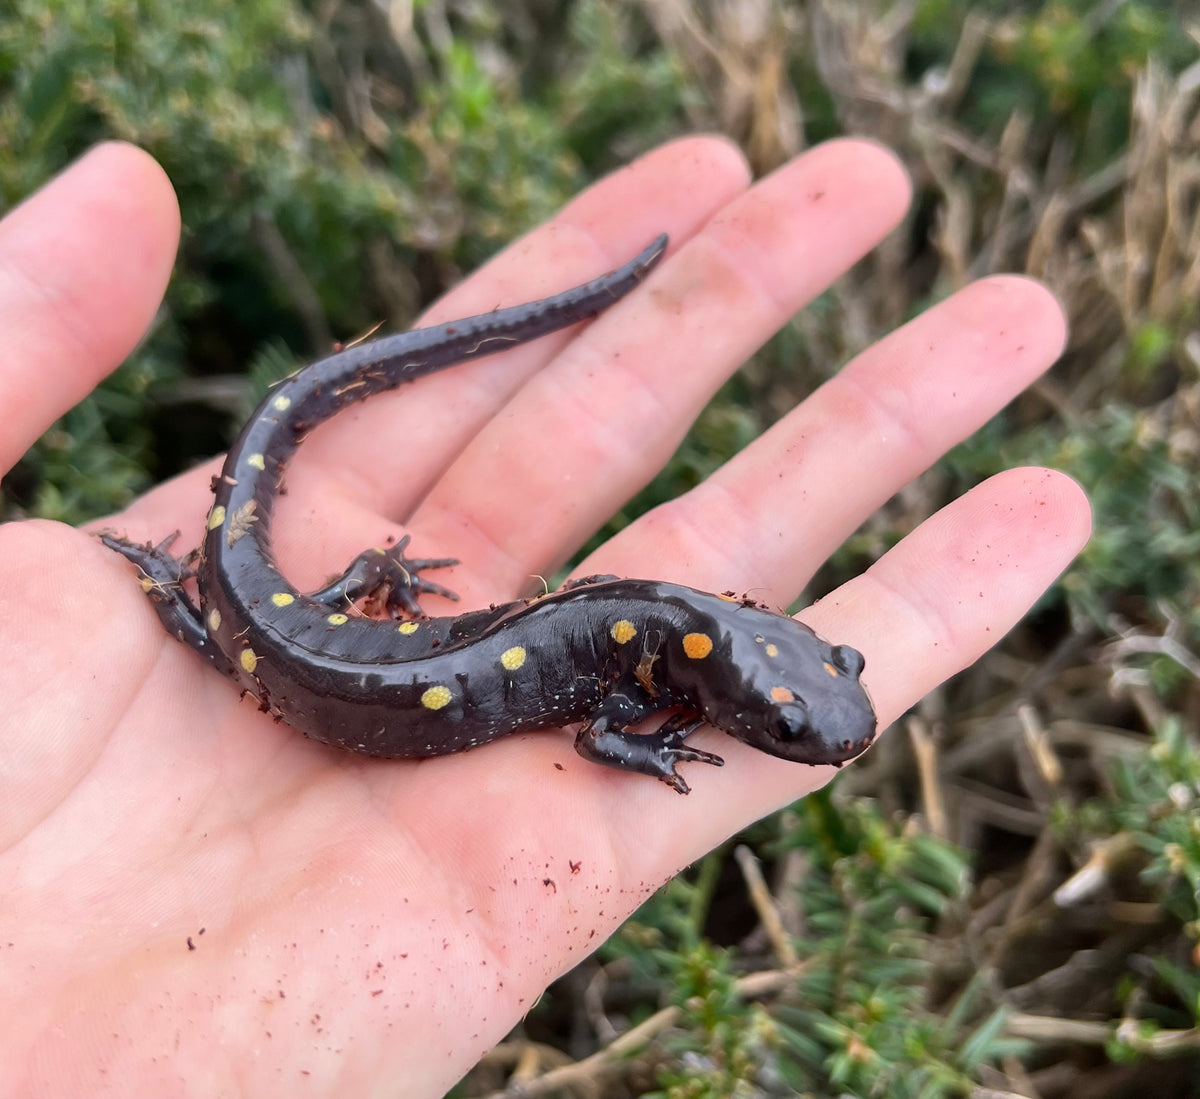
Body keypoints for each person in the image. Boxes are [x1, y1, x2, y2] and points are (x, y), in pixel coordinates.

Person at [0, 138, 1089, 1096]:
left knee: (267, 626)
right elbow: (599, 733)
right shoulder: (650, 663)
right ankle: (169, 586)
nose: (803, 734)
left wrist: (377, 584)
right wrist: (654, 751)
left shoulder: (671, 634)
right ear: (719, 671)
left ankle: (212, 585)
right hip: (274, 645)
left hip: (305, 628)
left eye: (795, 711)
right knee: (233, 645)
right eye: (789, 720)